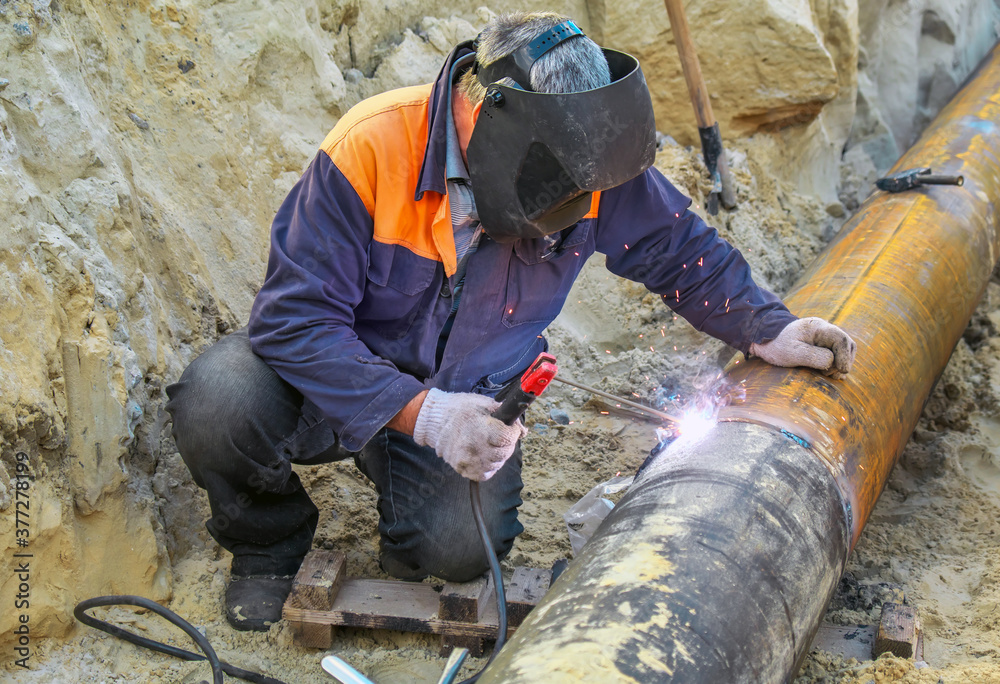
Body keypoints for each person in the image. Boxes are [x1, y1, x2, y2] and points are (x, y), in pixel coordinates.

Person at [166, 11, 856, 632]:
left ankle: (407, 491)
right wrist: (422, 415)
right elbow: (295, 321)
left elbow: (674, 245)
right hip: (339, 383)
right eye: (560, 181)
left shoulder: (583, 150)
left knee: (455, 553)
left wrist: (768, 327)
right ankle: (267, 543)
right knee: (221, 397)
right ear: (484, 115)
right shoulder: (373, 146)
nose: (580, 200)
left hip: (474, 397)